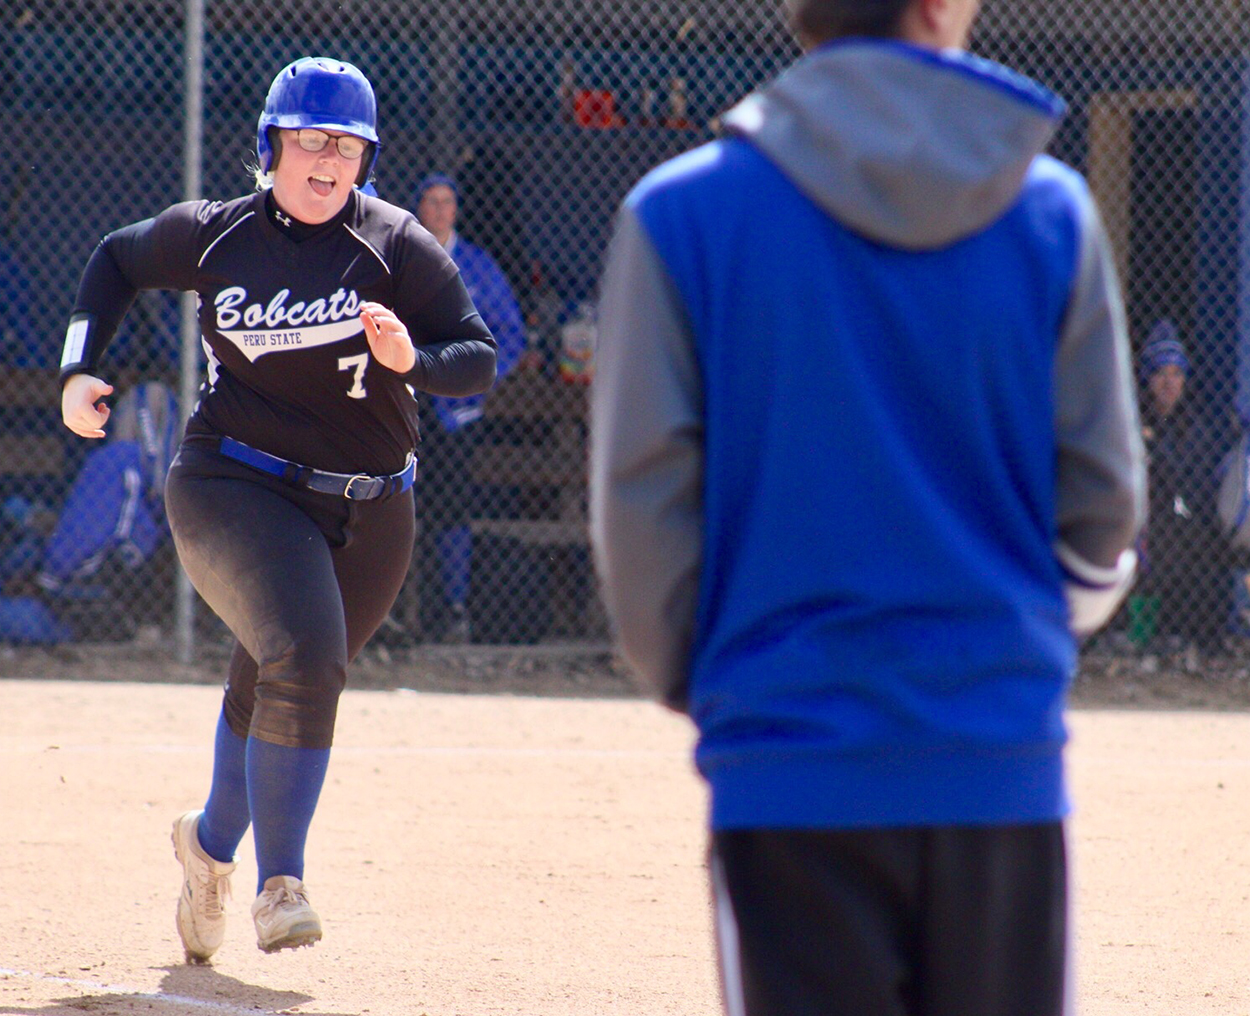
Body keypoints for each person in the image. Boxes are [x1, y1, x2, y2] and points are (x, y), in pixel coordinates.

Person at [589, 1, 1145, 1013]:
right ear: (935, 5)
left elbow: (642, 514)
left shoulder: (676, 215)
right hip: (994, 758)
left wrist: (726, 684)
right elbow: (1102, 507)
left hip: (784, 760)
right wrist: (1009, 649)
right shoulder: (1049, 210)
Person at [59, 57, 497, 962]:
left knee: (274, 679)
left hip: (373, 509)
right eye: (309, 139)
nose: (328, 159)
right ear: (271, 146)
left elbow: (479, 356)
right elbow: (114, 259)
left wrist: (414, 359)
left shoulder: (397, 244)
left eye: (347, 144)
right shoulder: (220, 236)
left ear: (366, 159)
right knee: (304, 654)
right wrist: (77, 368)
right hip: (234, 483)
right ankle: (280, 884)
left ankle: (209, 847)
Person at [412, 173, 526, 641]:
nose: (439, 211)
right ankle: (405, 611)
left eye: (447, 202)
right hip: (408, 405)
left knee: (452, 509)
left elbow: (511, 334)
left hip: (455, 412)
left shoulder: (478, 267)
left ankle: (454, 608)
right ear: (419, 208)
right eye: (431, 202)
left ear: (457, 209)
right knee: (401, 507)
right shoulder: (405, 258)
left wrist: (477, 379)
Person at [1135, 321, 1230, 652]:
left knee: (1201, 548)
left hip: (1181, 522)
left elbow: (1193, 485)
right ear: (1148, 378)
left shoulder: (1194, 426)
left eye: (1176, 374)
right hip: (1145, 522)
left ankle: (1193, 636)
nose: (1168, 383)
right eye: (1160, 373)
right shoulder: (1135, 420)